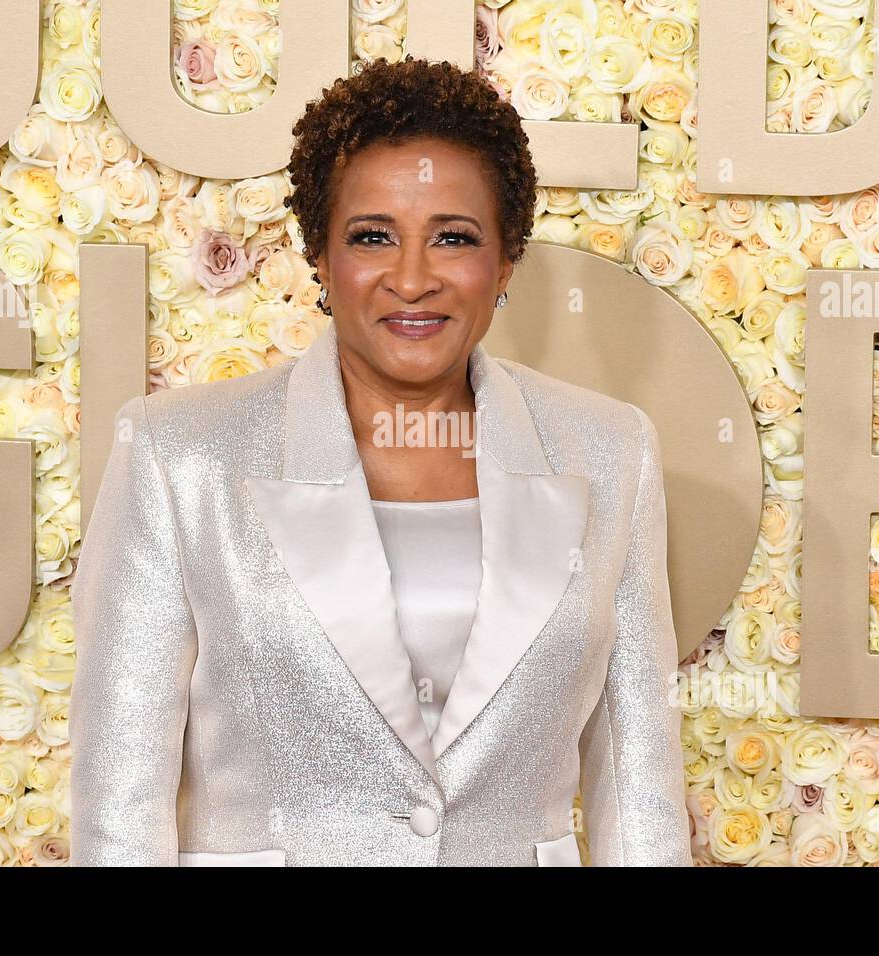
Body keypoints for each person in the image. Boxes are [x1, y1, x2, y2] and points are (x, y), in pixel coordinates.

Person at [68, 56, 692, 866]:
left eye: (453, 239)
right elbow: (120, 798)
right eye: (372, 238)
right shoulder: (177, 456)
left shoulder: (610, 451)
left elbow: (637, 774)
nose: (411, 279)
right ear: (320, 258)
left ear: (504, 263)